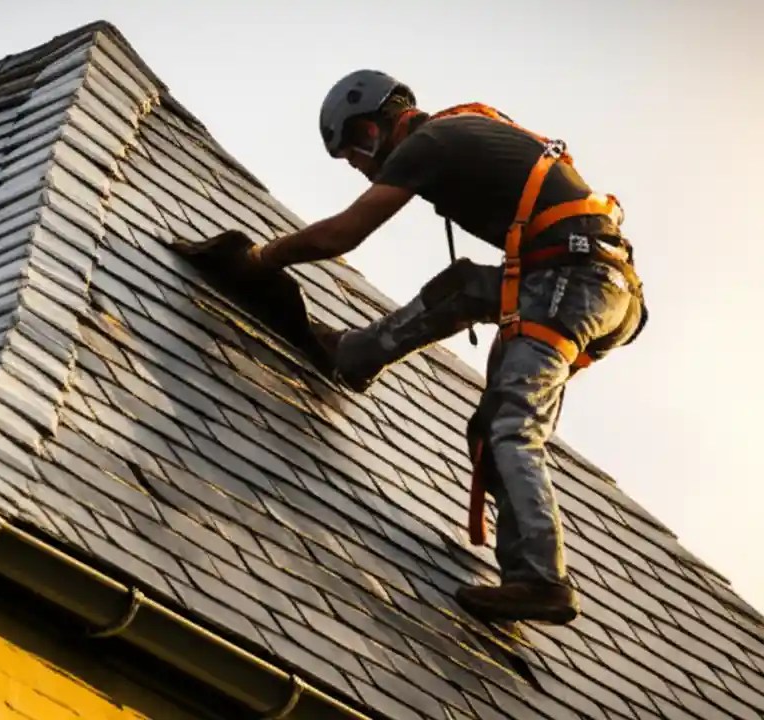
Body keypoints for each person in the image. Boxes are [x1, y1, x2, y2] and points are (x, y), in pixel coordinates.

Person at [243, 70, 647, 624]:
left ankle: (544, 580)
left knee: (512, 424)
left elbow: (343, 234)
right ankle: (356, 355)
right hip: (583, 282)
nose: (361, 165)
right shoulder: (460, 134)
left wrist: (262, 258)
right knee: (463, 299)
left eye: (358, 146)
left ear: (381, 123)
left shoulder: (430, 140)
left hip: (573, 281)